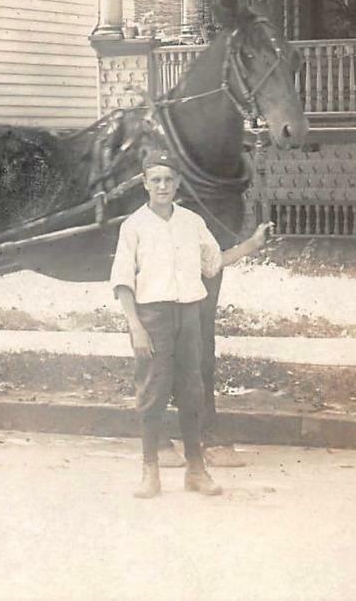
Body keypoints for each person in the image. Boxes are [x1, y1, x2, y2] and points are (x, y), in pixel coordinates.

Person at [110, 150, 272, 499]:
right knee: (152, 391)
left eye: (169, 180)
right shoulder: (133, 227)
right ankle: (150, 471)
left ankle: (196, 471)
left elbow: (214, 263)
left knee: (192, 391)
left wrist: (252, 244)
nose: (163, 186)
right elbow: (123, 282)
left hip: (189, 315)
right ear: (145, 183)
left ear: (178, 183)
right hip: (152, 316)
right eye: (156, 180)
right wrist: (136, 327)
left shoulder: (192, 222)